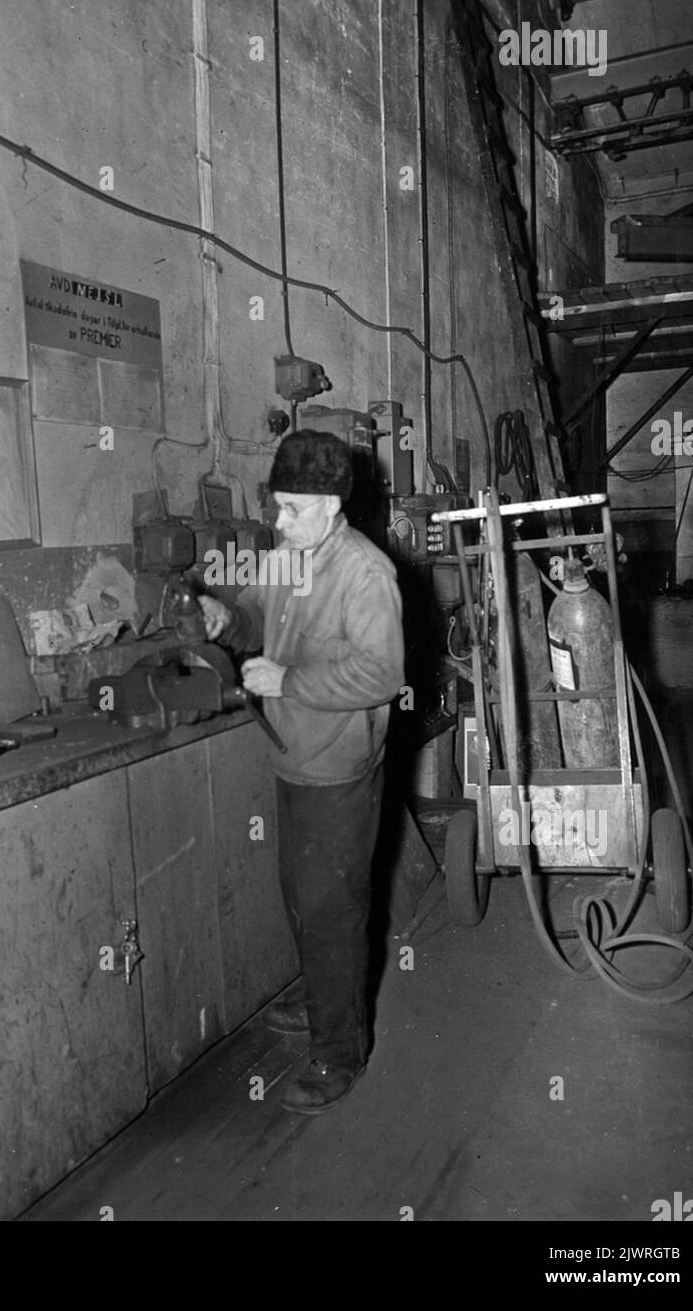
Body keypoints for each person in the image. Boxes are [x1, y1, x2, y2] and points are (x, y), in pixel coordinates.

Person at [199, 430, 405, 1114]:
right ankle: (324, 995)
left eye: (290, 509)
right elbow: (256, 614)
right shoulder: (289, 555)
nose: (278, 522)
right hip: (291, 753)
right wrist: (226, 616)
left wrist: (287, 678)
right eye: (277, 508)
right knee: (300, 892)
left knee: (331, 907)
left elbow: (381, 674)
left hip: (339, 765)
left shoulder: (364, 571)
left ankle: (339, 1050)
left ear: (329, 504)